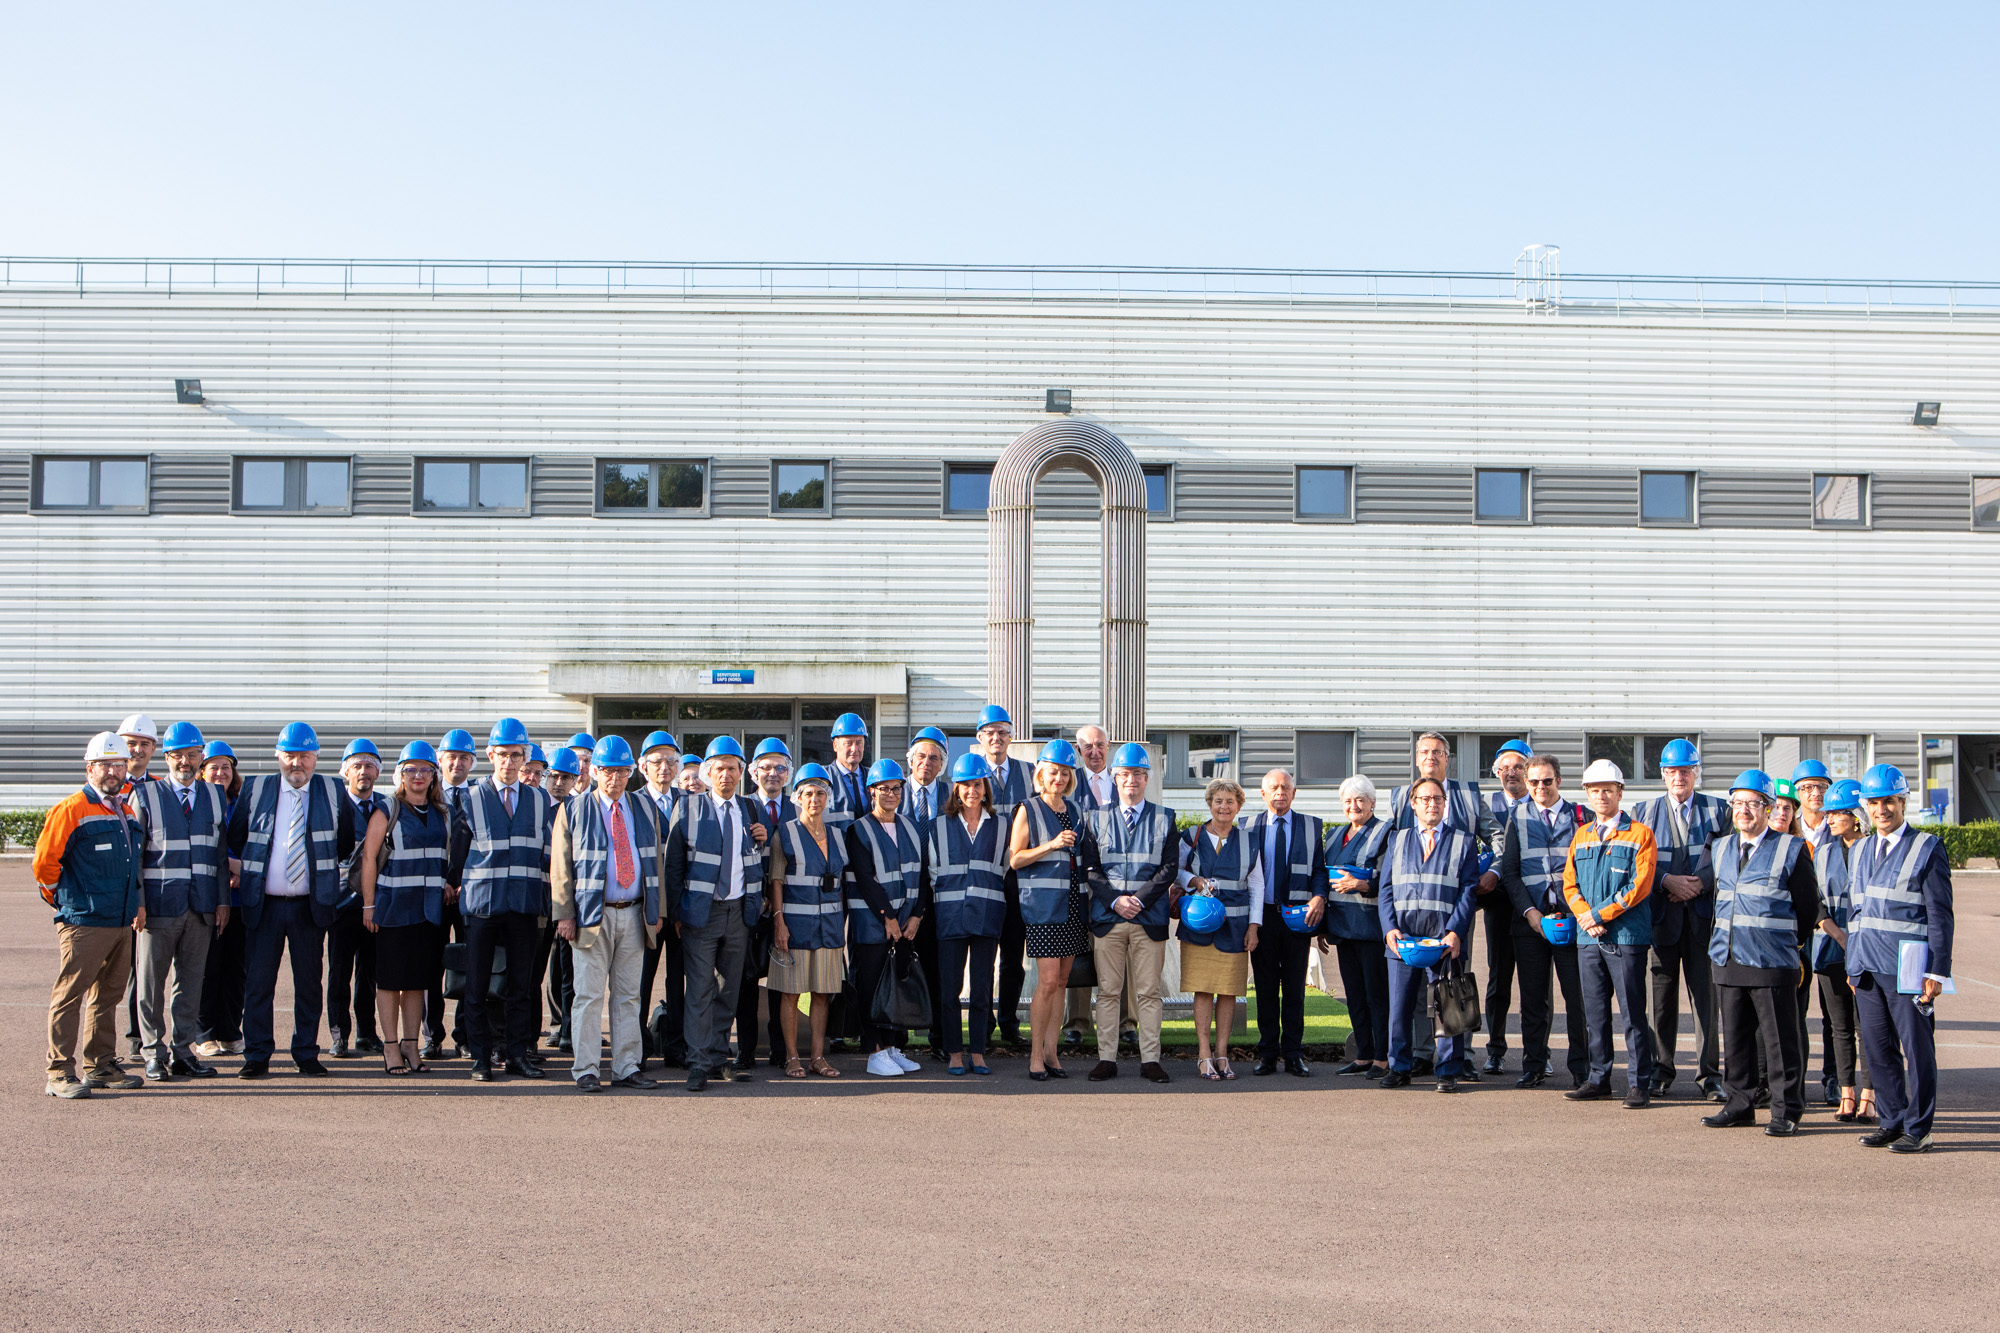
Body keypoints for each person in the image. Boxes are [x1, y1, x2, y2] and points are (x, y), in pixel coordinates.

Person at [225, 722, 357, 1079]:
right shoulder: (255, 789)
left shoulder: (333, 790)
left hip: (309, 907)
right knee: (258, 983)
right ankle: (257, 1054)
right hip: (263, 904)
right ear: (278, 756)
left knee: (309, 984)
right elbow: (236, 836)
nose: (297, 763)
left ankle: (305, 1052)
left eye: (304, 756)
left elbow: (345, 841)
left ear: (316, 757)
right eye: (290, 755)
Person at [1700, 769, 1820, 1136]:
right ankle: (1739, 1103)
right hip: (1728, 957)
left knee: (1780, 1041)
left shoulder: (1792, 848)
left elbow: (1808, 909)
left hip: (1772, 961)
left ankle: (1787, 1110)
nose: (1744, 811)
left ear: (1769, 809)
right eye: (1738, 803)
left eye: (1753, 804)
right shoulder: (1719, 848)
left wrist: (1786, 943)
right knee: (1735, 1040)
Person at [1845, 764, 1953, 1153]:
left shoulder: (1927, 847)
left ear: (1903, 802)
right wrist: (1851, 966)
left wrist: (1937, 971)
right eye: (1874, 803)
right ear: (1866, 807)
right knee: (1877, 1049)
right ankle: (1892, 1121)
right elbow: (1855, 912)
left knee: (1917, 1050)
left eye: (1889, 801)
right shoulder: (1858, 850)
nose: (1882, 809)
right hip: (1866, 968)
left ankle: (1919, 1127)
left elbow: (1940, 914)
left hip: (1909, 968)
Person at [552, 736, 667, 1093]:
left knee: (629, 994)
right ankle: (585, 1068)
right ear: (595, 771)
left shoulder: (644, 808)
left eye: (622, 771)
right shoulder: (573, 808)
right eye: (608, 771)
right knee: (587, 995)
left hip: (634, 914)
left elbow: (656, 863)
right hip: (590, 916)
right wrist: (564, 914)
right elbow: (561, 868)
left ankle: (626, 1065)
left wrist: (658, 909)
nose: (615, 778)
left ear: (632, 772)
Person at [36, 732, 145, 1098]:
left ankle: (100, 1066)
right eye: (105, 764)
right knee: (70, 995)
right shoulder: (71, 809)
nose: (113, 771)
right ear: (90, 768)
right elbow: (45, 866)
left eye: (119, 764)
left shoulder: (124, 810)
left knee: (108, 995)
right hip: (84, 922)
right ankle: (59, 1072)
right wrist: (66, 903)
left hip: (120, 922)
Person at [446, 718, 555, 1082]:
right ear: (490, 755)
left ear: (525, 756)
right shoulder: (471, 796)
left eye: (516, 755)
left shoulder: (540, 800)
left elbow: (546, 854)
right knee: (476, 985)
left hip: (523, 905)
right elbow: (458, 854)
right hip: (483, 906)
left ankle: (516, 1054)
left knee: (521, 987)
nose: (509, 762)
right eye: (503, 754)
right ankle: (480, 1057)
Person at [1389, 731, 1501, 1079]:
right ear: (1416, 757)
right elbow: (1391, 863)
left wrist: (1494, 872)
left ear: (1447, 758)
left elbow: (1496, 836)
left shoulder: (1467, 793)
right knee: (1411, 994)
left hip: (1453, 913)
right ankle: (1423, 1053)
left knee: (1452, 990)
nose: (1431, 757)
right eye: (1425, 751)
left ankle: (1459, 1056)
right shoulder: (1399, 797)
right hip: (1409, 915)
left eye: (1438, 752)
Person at [663, 737, 769, 1091]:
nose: (726, 775)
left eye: (732, 768)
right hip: (701, 914)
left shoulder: (750, 809)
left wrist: (761, 839)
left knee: (729, 989)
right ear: (707, 773)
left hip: (739, 911)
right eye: (719, 768)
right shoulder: (688, 807)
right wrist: (677, 912)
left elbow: (754, 859)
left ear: (742, 772)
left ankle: (718, 1057)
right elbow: (673, 864)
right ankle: (696, 1062)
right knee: (699, 989)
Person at [129, 721, 228, 1081]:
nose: (184, 762)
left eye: (191, 755)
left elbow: (218, 857)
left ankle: (183, 1052)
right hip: (157, 908)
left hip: (201, 908)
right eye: (178, 755)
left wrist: (222, 902)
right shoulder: (145, 795)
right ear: (167, 757)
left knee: (190, 984)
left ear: (202, 757)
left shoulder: (216, 796)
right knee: (151, 985)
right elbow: (134, 858)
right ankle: (153, 1052)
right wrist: (137, 903)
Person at [1631, 738, 1726, 1100]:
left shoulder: (1720, 811)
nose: (1679, 777)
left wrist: (1700, 884)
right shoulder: (1643, 811)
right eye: (1672, 771)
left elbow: (1730, 856)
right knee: (1661, 1002)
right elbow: (1636, 861)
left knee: (1706, 1002)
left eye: (1686, 771)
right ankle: (1661, 1070)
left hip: (1703, 921)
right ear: (1663, 775)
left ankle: (1709, 1076)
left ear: (1696, 773)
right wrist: (1665, 881)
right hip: (1661, 918)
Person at [1560, 759, 1658, 1108]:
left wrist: (1599, 914)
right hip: (1588, 938)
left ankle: (1639, 1083)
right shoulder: (1581, 835)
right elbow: (1569, 883)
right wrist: (1586, 917)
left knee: (1632, 1012)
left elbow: (1639, 886)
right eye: (1595, 790)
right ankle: (1599, 1078)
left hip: (1627, 937)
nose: (1602, 795)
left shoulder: (1641, 834)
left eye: (1608, 789)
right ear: (1586, 794)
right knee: (1595, 1012)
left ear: (1620, 792)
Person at [1377, 776, 1480, 1093]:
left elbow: (1468, 891)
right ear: (1413, 803)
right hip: (1403, 940)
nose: (1431, 804)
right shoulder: (1397, 839)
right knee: (1399, 1009)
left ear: (1445, 804)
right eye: (1425, 799)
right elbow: (1385, 890)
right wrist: (1389, 929)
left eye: (1437, 799)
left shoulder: (1463, 841)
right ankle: (1399, 1067)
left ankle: (1448, 1070)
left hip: (1443, 940)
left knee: (1450, 1007)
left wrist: (1454, 931)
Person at [1498, 755, 1593, 1090]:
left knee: (1577, 999)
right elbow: (1510, 874)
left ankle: (1582, 1068)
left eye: (1547, 781)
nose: (1540, 787)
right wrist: (1531, 913)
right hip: (1531, 923)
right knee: (1533, 1000)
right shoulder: (1517, 817)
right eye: (1534, 781)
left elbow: (1591, 871)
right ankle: (1534, 1064)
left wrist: (1579, 911)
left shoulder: (1582, 817)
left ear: (1559, 781)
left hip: (1572, 922)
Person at [356, 743, 451, 1075]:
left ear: (433, 775)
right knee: (389, 981)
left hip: (428, 912)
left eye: (425, 769)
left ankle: (412, 1045)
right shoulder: (387, 809)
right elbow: (369, 858)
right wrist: (369, 905)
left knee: (417, 982)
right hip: (393, 909)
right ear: (400, 775)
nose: (418, 776)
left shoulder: (442, 811)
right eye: (410, 769)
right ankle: (391, 1047)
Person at [1009, 740, 1101, 1082]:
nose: (1059, 777)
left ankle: (1052, 1053)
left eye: (1064, 772)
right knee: (1047, 982)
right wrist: (1050, 844)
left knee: (1063, 981)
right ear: (1041, 774)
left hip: (1073, 905)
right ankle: (1035, 1056)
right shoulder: (1027, 809)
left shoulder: (1075, 810)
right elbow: (1015, 859)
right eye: (1053, 771)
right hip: (1044, 908)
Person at [1084, 743, 1176, 1084]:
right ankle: (1106, 1058)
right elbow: (1091, 869)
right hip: (1108, 920)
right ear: (1114, 777)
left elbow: (1168, 869)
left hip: (1147, 919)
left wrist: (1137, 900)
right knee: (1108, 992)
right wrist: (1115, 901)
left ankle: (1150, 1059)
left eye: (1138, 774)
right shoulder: (1095, 818)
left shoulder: (1165, 818)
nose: (1131, 781)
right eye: (1124, 774)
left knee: (1148, 993)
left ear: (1147, 778)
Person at [847, 758, 931, 1078]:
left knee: (896, 985)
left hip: (906, 923)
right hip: (873, 924)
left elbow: (922, 874)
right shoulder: (859, 829)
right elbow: (866, 879)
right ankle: (874, 1050)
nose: (892, 794)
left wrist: (917, 916)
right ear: (872, 792)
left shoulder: (910, 826)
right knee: (871, 985)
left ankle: (894, 1047)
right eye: (885, 789)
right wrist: (888, 917)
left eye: (897, 788)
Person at [1239, 768, 1327, 1076]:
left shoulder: (1311, 826)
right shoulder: (1246, 826)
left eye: (1286, 787)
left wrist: (1319, 898)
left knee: (1294, 990)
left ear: (1294, 792)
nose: (1280, 792)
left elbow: (1319, 870)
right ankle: (1266, 1054)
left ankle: (1293, 1054)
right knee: (1264, 988)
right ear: (1263, 794)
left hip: (1297, 919)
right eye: (1274, 787)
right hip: (1261, 919)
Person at [925, 753, 1006, 1075]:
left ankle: (978, 1051)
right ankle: (954, 1052)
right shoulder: (937, 827)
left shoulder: (1002, 826)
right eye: (965, 785)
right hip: (950, 916)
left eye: (977, 784)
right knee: (949, 989)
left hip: (987, 916)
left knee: (983, 988)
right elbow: (932, 873)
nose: (972, 790)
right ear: (955, 789)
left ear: (985, 787)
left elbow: (1004, 869)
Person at [1176, 777, 1261, 1082]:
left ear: (1239, 806)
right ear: (1209, 803)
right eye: (1218, 801)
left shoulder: (1250, 840)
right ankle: (1203, 1054)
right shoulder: (1192, 835)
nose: (1224, 806)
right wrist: (1194, 881)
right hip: (1199, 926)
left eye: (1230, 801)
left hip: (1236, 927)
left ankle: (1222, 1054)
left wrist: (1254, 926)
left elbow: (1257, 885)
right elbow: (1175, 869)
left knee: (1228, 992)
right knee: (1203, 988)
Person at [767, 764, 847, 1077]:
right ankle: (791, 1057)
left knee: (822, 994)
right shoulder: (784, 832)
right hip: (794, 928)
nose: (814, 799)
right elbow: (776, 879)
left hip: (829, 929)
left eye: (820, 793)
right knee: (790, 993)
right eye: (808, 794)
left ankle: (817, 1057)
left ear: (827, 798)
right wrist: (779, 922)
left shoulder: (838, 836)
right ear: (798, 798)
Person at [1810, 779, 1874, 1124]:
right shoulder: (1823, 852)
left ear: (1855, 815)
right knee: (1839, 1025)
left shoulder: (1876, 849)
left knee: (1870, 1027)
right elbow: (1815, 902)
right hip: (1832, 950)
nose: (1829, 818)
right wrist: (1841, 937)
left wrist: (1858, 943)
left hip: (1872, 951)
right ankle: (1846, 1092)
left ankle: (1870, 1095)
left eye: (1836, 813)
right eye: (1828, 813)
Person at [1322, 775, 1391, 1078]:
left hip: (1372, 928)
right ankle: (1363, 1054)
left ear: (1373, 802)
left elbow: (1391, 877)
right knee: (1354, 995)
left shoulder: (1386, 832)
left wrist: (1362, 884)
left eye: (1361, 799)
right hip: (1342, 927)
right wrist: (1324, 925)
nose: (1354, 805)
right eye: (1348, 801)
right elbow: (1324, 880)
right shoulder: (1336, 835)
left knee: (1377, 995)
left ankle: (1382, 1058)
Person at [974, 704, 1036, 1046]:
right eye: (989, 733)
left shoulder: (1030, 773)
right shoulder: (970, 773)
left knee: (1013, 957)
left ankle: (1009, 1023)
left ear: (1011, 737)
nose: (996, 738)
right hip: (982, 877)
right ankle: (982, 1027)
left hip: (1017, 879)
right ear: (980, 738)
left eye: (1002, 732)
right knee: (983, 956)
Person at [733, 736, 793, 1070]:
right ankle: (745, 1048)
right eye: (766, 767)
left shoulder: (798, 809)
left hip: (784, 909)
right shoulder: (740, 807)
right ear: (753, 773)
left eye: (779, 768)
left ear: (788, 774)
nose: (773, 774)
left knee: (780, 978)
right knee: (745, 979)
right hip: (749, 908)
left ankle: (780, 1049)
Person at [1477, 739, 1534, 1075]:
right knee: (1498, 977)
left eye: (1519, 767)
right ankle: (1495, 1048)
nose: (1512, 773)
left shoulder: (1541, 804)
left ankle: (1535, 1052)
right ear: (1496, 772)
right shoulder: (1487, 807)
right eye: (1506, 768)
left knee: (1534, 981)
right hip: (1498, 902)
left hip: (1533, 903)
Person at [327, 738, 385, 1060]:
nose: (364, 772)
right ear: (345, 772)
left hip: (374, 902)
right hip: (341, 903)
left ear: (378, 772)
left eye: (369, 766)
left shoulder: (386, 808)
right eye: (357, 766)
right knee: (338, 972)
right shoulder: (333, 807)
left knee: (369, 972)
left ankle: (366, 1033)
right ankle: (339, 1035)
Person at [633, 730, 688, 1069]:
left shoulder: (688, 801)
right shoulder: (631, 802)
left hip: (680, 908)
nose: (665, 768)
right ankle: (636, 1047)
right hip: (645, 909)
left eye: (671, 762)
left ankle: (676, 1047)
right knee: (638, 982)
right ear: (643, 766)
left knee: (679, 980)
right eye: (657, 762)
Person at [425, 727, 479, 1060]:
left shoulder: (478, 797)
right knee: (431, 964)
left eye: (463, 758)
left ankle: (464, 1034)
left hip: (468, 893)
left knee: (467, 965)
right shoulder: (425, 796)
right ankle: (433, 1035)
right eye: (451, 757)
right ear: (439, 761)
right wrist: (440, 882)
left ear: (472, 762)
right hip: (433, 891)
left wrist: (464, 883)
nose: (457, 763)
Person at [195, 740, 247, 1059]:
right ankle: (204, 1033)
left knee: (236, 968)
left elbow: (256, 842)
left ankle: (230, 1031)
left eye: (226, 766)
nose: (220, 772)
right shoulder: (196, 803)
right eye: (213, 766)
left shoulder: (243, 803)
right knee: (207, 967)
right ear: (202, 772)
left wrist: (243, 870)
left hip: (240, 898)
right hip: (207, 897)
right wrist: (229, 865)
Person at [115, 712, 163, 1058]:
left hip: (147, 892)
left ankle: (137, 1039)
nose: (137, 749)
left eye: (144, 744)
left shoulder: (160, 788)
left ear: (154, 749)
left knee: (141, 970)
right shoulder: (106, 783)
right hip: (111, 893)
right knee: (107, 972)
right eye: (131, 743)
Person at [902, 727, 951, 1059]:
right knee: (899, 965)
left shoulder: (953, 795)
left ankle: (939, 1037)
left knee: (937, 967)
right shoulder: (892, 791)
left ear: (943, 764)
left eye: (934, 758)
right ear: (910, 760)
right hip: (901, 895)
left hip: (940, 895)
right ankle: (894, 1037)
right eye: (921, 756)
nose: (927, 763)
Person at [542, 746, 582, 1054]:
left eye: (566, 777)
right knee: (542, 971)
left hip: (568, 902)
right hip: (539, 901)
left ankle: (569, 1028)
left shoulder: (578, 808)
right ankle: (554, 1024)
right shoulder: (535, 805)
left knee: (569, 970)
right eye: (553, 776)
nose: (559, 783)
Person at [1792, 760, 1834, 850]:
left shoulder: (1837, 830)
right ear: (1797, 792)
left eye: (1822, 787)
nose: (1816, 793)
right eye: (1808, 787)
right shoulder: (1790, 830)